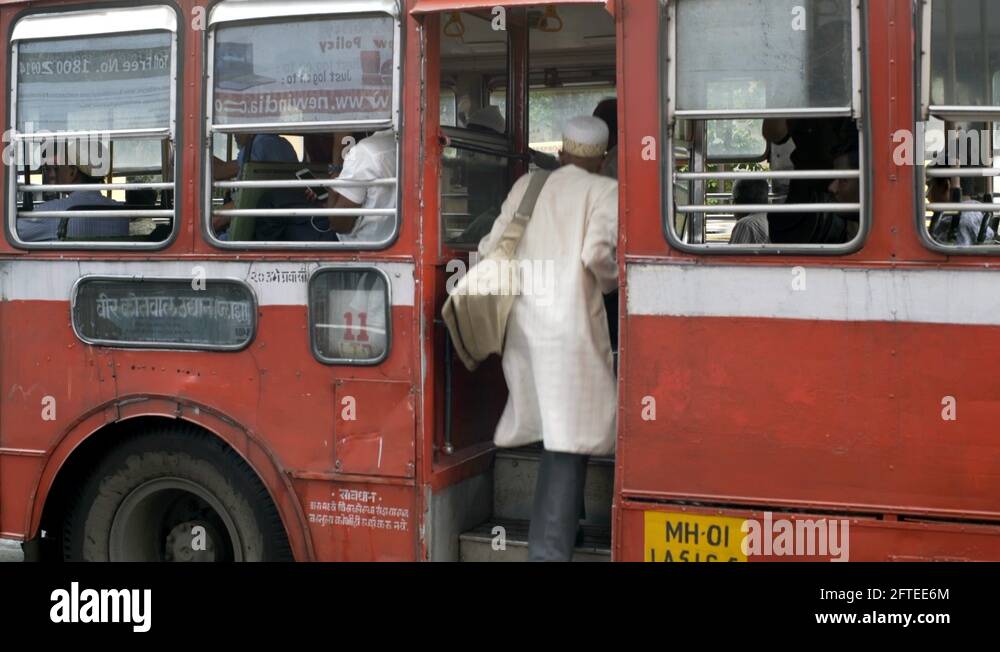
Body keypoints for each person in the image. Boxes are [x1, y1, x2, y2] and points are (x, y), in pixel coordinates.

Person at [478, 115, 618, 562]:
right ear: (604, 159)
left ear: (561, 152)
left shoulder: (529, 186)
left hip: (525, 327)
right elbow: (597, 254)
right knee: (566, 442)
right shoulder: (605, 190)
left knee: (558, 435)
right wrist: (617, 283)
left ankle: (566, 530)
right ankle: (548, 552)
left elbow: (489, 248)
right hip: (570, 331)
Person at [18, 141, 126, 242]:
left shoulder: (50, 212)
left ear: (72, 172)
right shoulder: (120, 212)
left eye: (60, 167)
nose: (58, 172)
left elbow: (10, 233)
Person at [310, 129, 397, 244]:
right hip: (389, 237)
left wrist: (336, 172)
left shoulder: (363, 152)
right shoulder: (397, 142)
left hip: (360, 244)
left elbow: (338, 224)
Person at [926, 150, 996, 246]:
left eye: (929, 186)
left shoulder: (953, 224)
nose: (926, 194)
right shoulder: (978, 213)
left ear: (946, 186)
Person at [728, 178, 771, 244]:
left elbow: (733, 253)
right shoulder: (769, 219)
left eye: (733, 199)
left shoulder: (745, 225)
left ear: (738, 201)